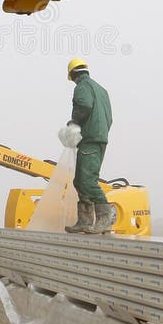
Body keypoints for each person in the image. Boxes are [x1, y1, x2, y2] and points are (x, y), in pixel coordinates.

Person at [63, 59, 114, 235]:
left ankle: (105, 217)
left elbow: (84, 105)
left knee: (88, 181)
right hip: (98, 138)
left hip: (90, 139)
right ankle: (85, 221)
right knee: (79, 181)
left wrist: (74, 122)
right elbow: (109, 118)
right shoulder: (102, 90)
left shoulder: (82, 87)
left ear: (73, 75)